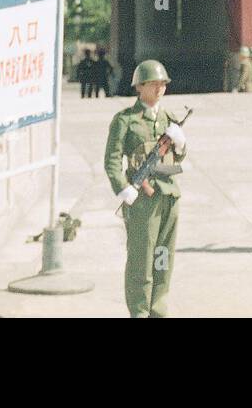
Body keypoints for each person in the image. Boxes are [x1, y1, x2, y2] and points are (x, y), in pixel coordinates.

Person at [104, 60, 188, 317]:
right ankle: (140, 312)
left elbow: (178, 158)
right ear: (140, 87)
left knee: (163, 257)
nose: (160, 89)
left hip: (169, 197)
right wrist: (122, 188)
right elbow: (112, 160)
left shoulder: (170, 119)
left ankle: (158, 309)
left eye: (163, 84)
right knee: (142, 261)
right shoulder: (125, 121)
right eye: (154, 84)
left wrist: (181, 145)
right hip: (143, 200)